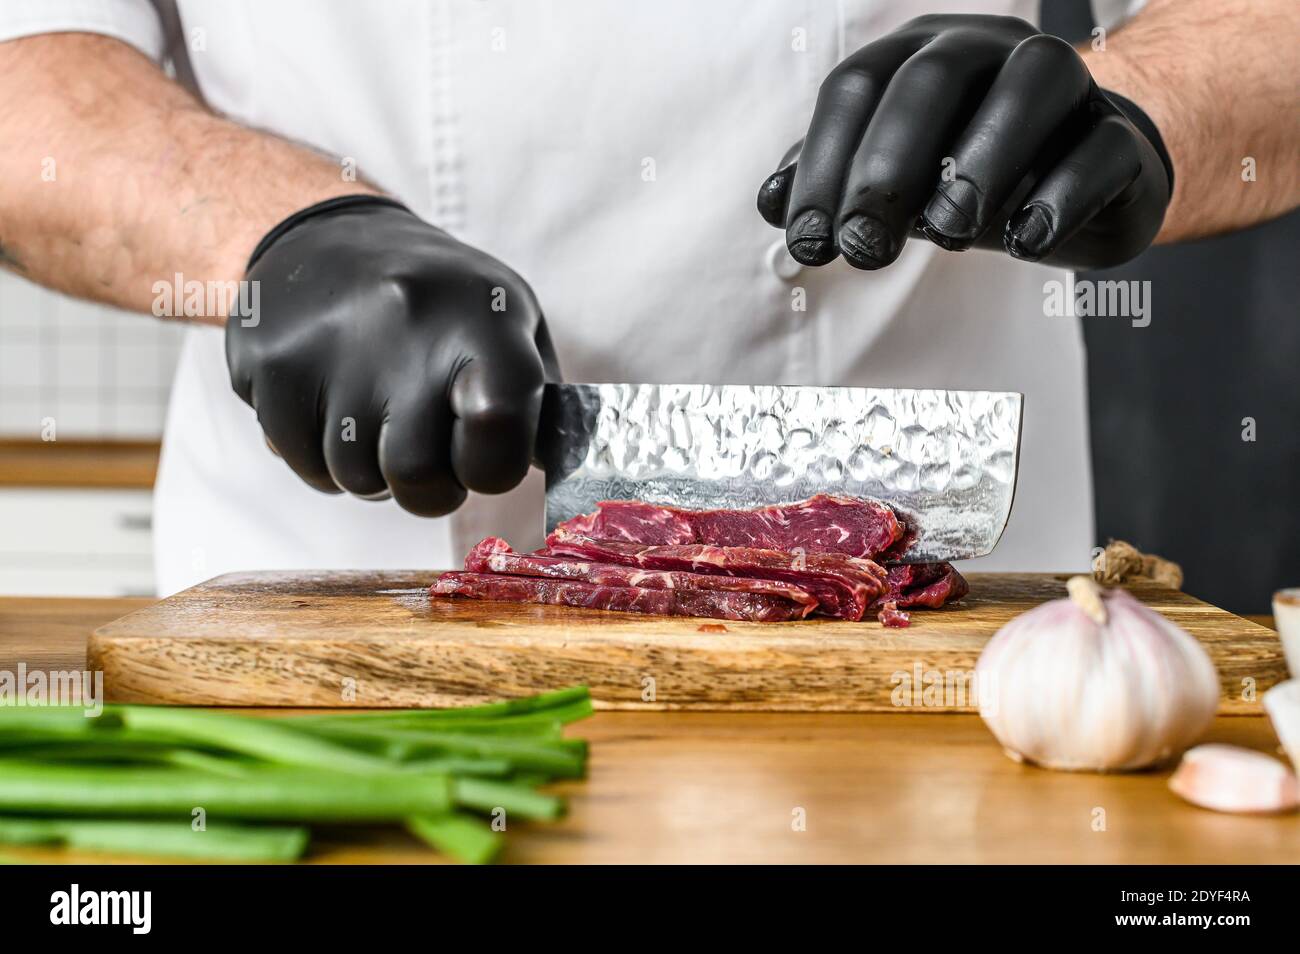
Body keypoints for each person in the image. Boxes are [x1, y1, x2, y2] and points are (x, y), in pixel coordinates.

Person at [0, 1, 1294, 595]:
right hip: (336, 627)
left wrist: (1138, 108)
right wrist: (278, 233)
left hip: (934, 648)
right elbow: (29, 71)